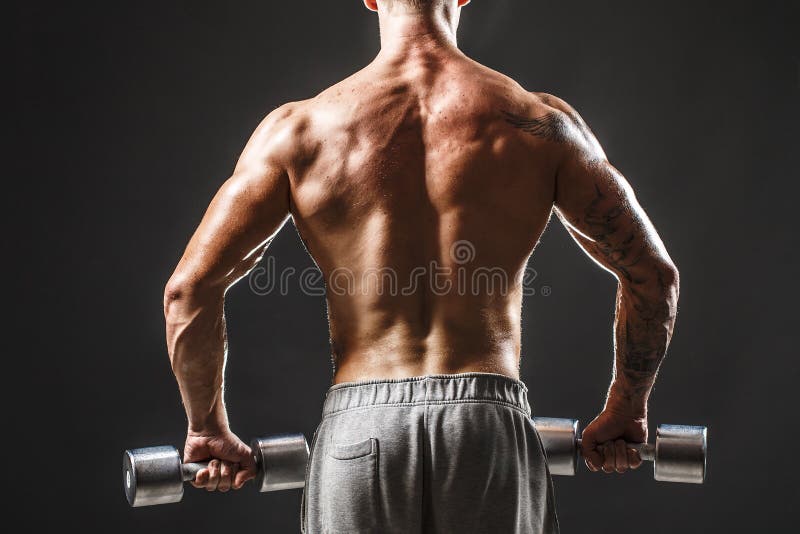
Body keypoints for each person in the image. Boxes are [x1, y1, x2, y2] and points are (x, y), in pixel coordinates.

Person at [162, 0, 679, 532]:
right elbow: (654, 277)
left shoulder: (301, 130)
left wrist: (208, 427)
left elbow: (189, 291)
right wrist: (625, 409)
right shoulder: (539, 123)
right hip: (486, 428)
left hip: (360, 432)